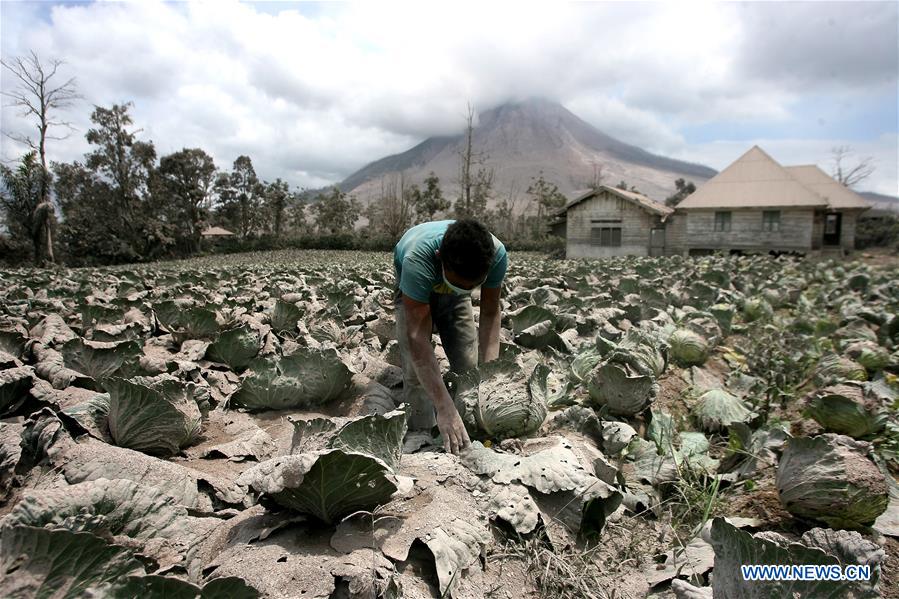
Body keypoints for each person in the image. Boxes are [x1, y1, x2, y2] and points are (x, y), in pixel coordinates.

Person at [393, 218, 508, 454]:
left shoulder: (495, 255)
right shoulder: (417, 260)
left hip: (456, 302)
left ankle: (466, 424)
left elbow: (489, 312)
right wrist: (444, 407)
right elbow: (418, 340)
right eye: (458, 284)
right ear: (439, 257)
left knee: (467, 364)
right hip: (414, 291)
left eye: (471, 286)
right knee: (415, 371)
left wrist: (488, 379)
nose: (464, 288)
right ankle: (420, 430)